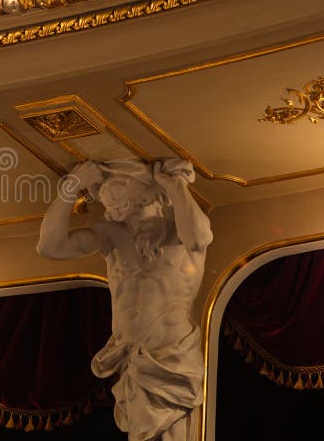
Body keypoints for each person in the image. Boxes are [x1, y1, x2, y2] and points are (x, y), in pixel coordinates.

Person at [37, 158, 212, 441]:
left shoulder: (179, 230)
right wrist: (71, 187)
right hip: (131, 359)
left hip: (170, 357)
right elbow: (50, 247)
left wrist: (175, 185)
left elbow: (199, 237)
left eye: (128, 206)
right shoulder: (111, 237)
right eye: (114, 208)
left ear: (148, 195)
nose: (118, 213)